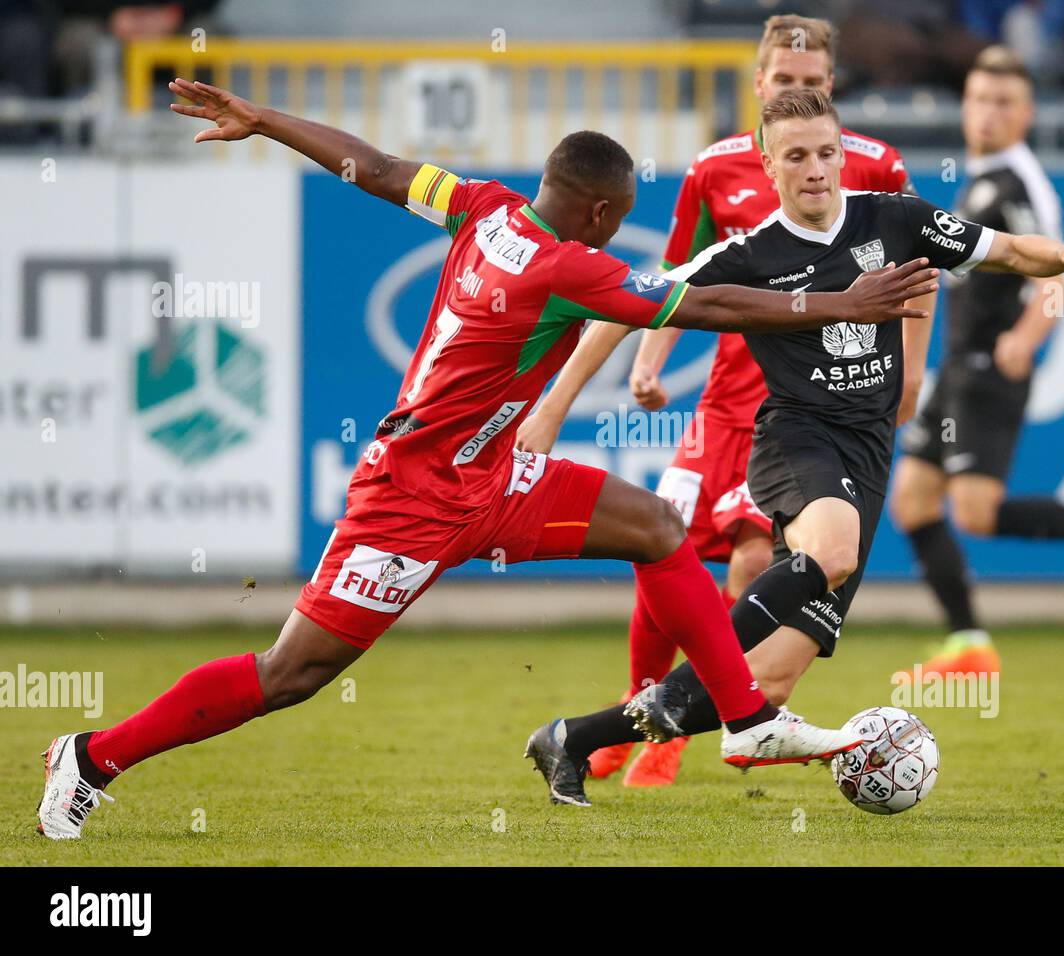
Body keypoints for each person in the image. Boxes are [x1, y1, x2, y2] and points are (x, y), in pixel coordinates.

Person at [36, 78, 941, 838]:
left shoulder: (484, 208)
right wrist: (838, 305)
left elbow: (379, 169)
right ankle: (91, 757)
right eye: (618, 220)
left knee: (658, 529)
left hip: (493, 473)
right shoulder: (567, 268)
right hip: (413, 498)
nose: (616, 233)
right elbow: (706, 308)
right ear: (598, 211)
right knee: (293, 675)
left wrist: (269, 120)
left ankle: (745, 717)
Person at [527, 87, 1064, 808]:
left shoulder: (896, 219)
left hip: (868, 457)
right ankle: (742, 718)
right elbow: (621, 309)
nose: (815, 169)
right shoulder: (746, 255)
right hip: (796, 439)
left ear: (843, 156)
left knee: (766, 682)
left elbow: (1007, 251)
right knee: (830, 556)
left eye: (826, 152)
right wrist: (553, 407)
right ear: (770, 168)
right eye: (796, 156)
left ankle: (573, 739)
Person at [515, 13, 933, 788]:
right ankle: (637, 717)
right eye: (784, 82)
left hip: (816, 415)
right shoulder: (716, 170)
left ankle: (663, 725)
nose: (798, 92)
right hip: (724, 408)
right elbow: (667, 280)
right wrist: (644, 363)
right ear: (759, 86)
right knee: (662, 544)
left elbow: (921, 265)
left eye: (812, 84)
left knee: (752, 569)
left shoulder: (875, 168)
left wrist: (910, 371)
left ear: (831, 88)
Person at [890, 47, 1064, 680]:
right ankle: (969, 642)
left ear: (1026, 113)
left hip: (991, 370)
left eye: (1003, 102)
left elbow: (1053, 266)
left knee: (975, 513)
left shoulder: (1020, 180)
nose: (988, 113)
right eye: (979, 99)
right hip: (959, 368)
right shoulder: (985, 174)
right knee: (912, 499)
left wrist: (1025, 337)